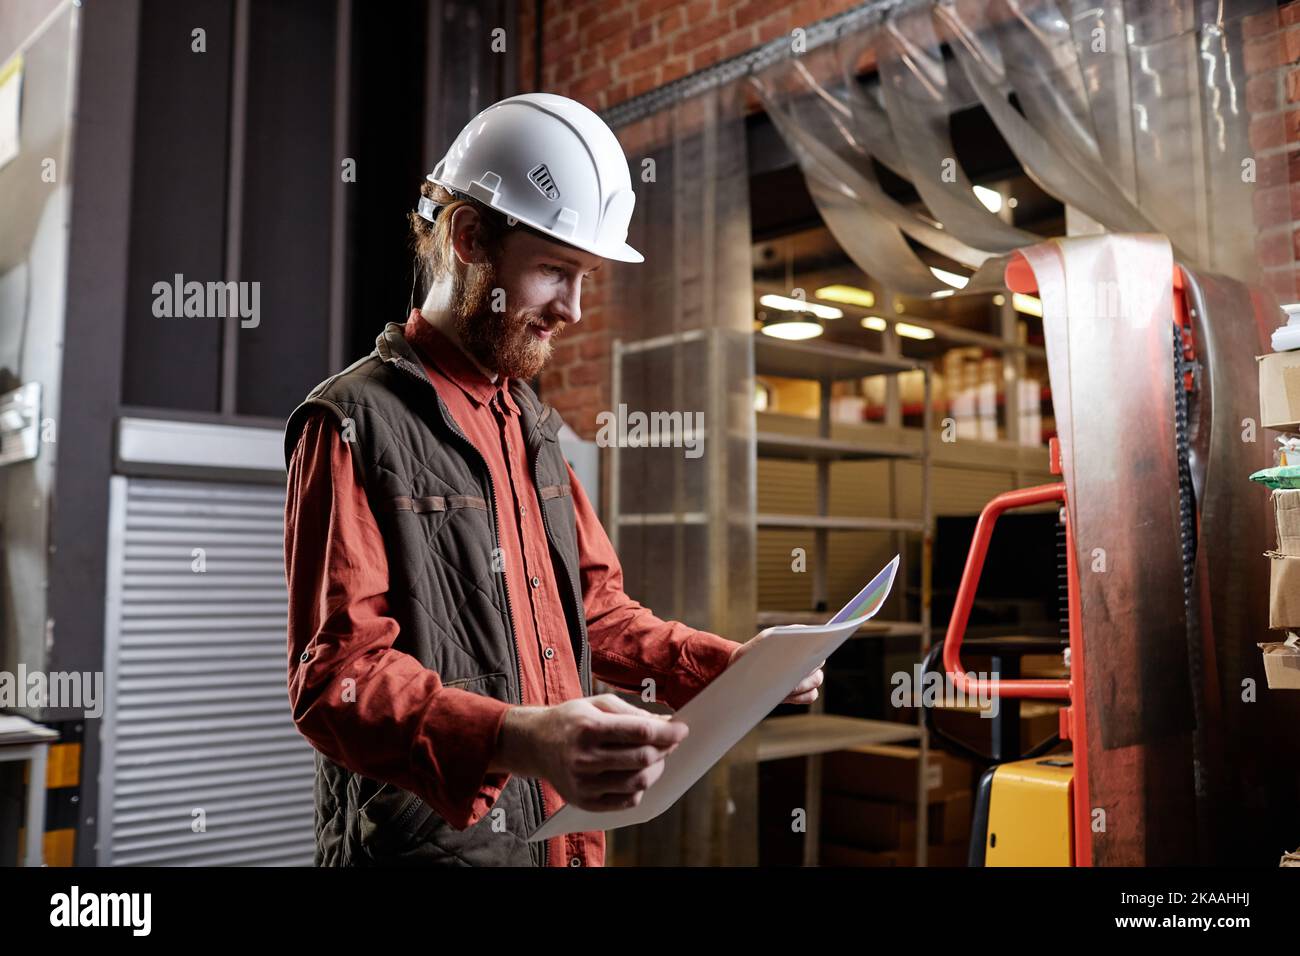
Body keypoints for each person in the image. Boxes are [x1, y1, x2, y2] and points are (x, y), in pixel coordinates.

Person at [282, 93, 822, 867]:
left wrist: (729, 668)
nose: (572, 308)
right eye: (553, 271)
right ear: (469, 237)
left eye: (584, 277)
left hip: (561, 846)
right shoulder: (353, 423)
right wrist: (519, 738)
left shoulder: (531, 427)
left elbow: (594, 611)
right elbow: (338, 681)